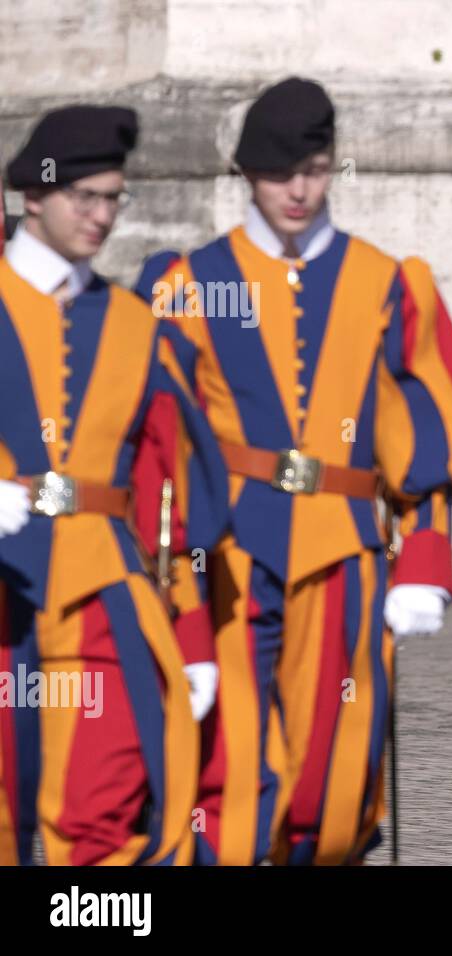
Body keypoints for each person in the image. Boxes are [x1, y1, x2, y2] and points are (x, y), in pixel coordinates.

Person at [135, 77, 452, 864]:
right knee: (227, 760)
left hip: (345, 549)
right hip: (226, 554)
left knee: (335, 773)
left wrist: (426, 558)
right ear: (246, 175)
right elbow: (155, 441)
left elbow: (430, 435)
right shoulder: (186, 283)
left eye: (314, 168)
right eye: (280, 174)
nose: (299, 190)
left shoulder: (386, 283)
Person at [0, 105, 229, 865]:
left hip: (105, 595)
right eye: (84, 197)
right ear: (34, 195)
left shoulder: (137, 325)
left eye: (113, 199)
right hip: (5, 599)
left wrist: (192, 636)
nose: (101, 216)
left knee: (98, 820)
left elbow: (168, 495)